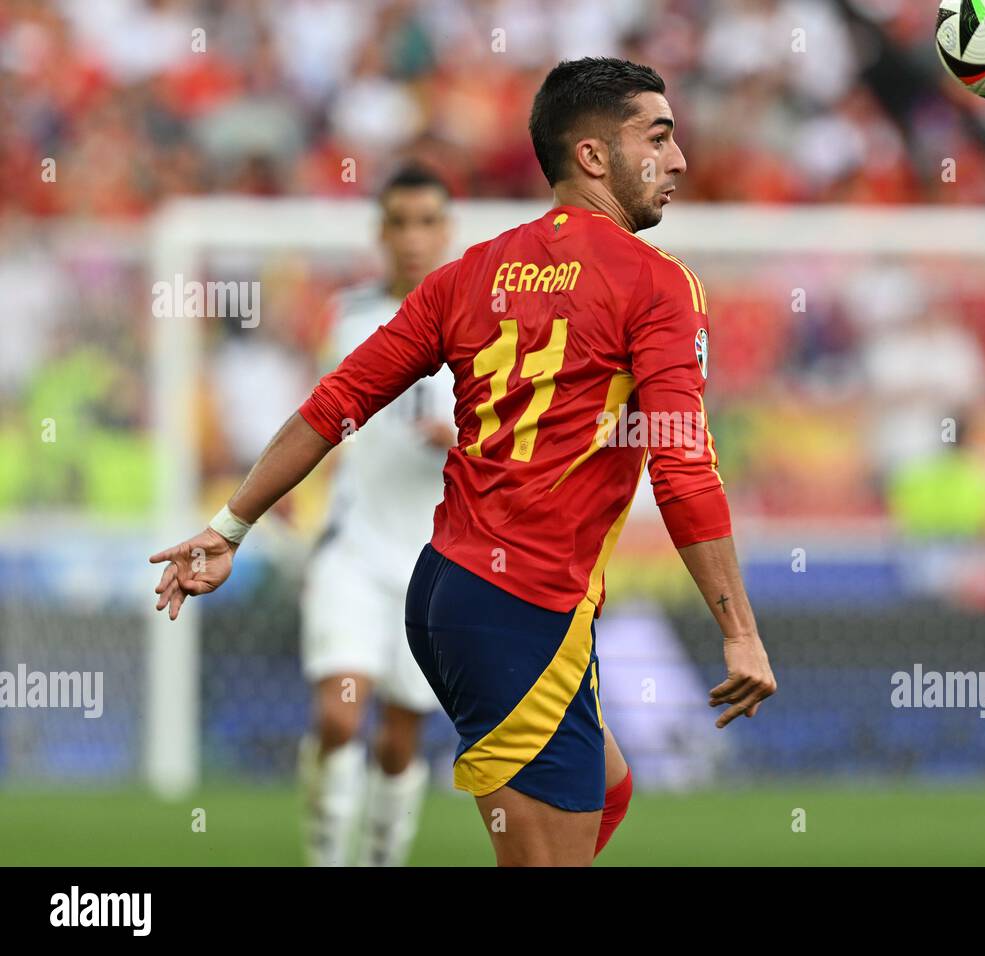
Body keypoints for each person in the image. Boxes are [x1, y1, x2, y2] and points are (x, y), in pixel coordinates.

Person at [150, 57, 776, 867]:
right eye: (657, 137)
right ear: (591, 156)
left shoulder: (470, 273)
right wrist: (740, 632)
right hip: (526, 606)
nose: (680, 158)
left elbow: (334, 404)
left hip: (448, 588)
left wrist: (231, 525)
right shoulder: (658, 287)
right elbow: (683, 467)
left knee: (609, 795)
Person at [298, 164, 456, 866]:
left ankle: (381, 856)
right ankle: (328, 856)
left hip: (433, 562)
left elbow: (518, 445)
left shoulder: (483, 323)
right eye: (401, 221)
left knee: (400, 738)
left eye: (428, 221)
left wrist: (464, 439)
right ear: (380, 232)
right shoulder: (348, 316)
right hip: (355, 549)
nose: (414, 237)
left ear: (446, 230)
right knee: (339, 714)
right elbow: (319, 420)